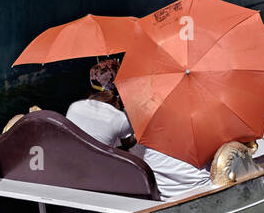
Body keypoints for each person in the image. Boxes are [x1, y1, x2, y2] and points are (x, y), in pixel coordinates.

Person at [65, 60, 211, 200]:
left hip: (70, 171)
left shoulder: (74, 107)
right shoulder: (119, 118)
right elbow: (130, 142)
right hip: (100, 178)